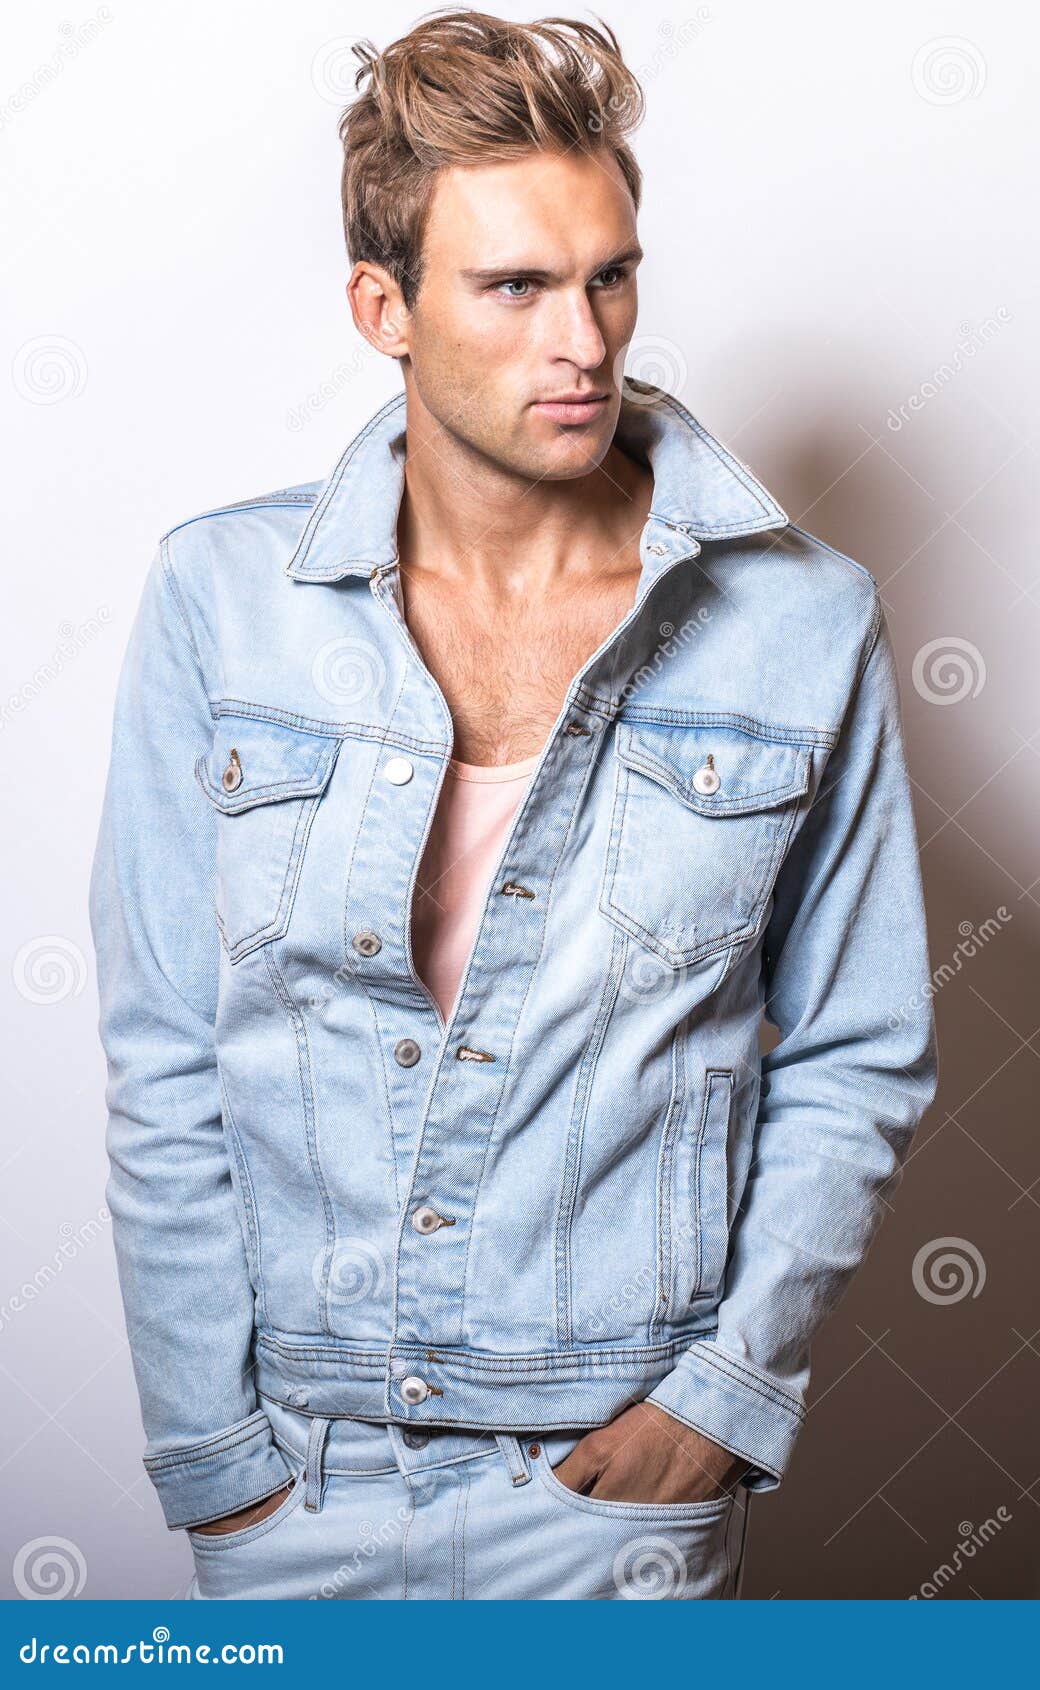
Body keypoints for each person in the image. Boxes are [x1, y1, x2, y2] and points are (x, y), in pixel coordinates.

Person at [88, 9, 935, 1600]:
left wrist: (721, 1398)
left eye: (611, 276)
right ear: (384, 308)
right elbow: (166, 1049)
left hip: (605, 1489)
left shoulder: (802, 620)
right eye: (517, 286)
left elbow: (860, 1046)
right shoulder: (223, 600)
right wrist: (216, 1457)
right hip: (301, 1479)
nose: (586, 341)